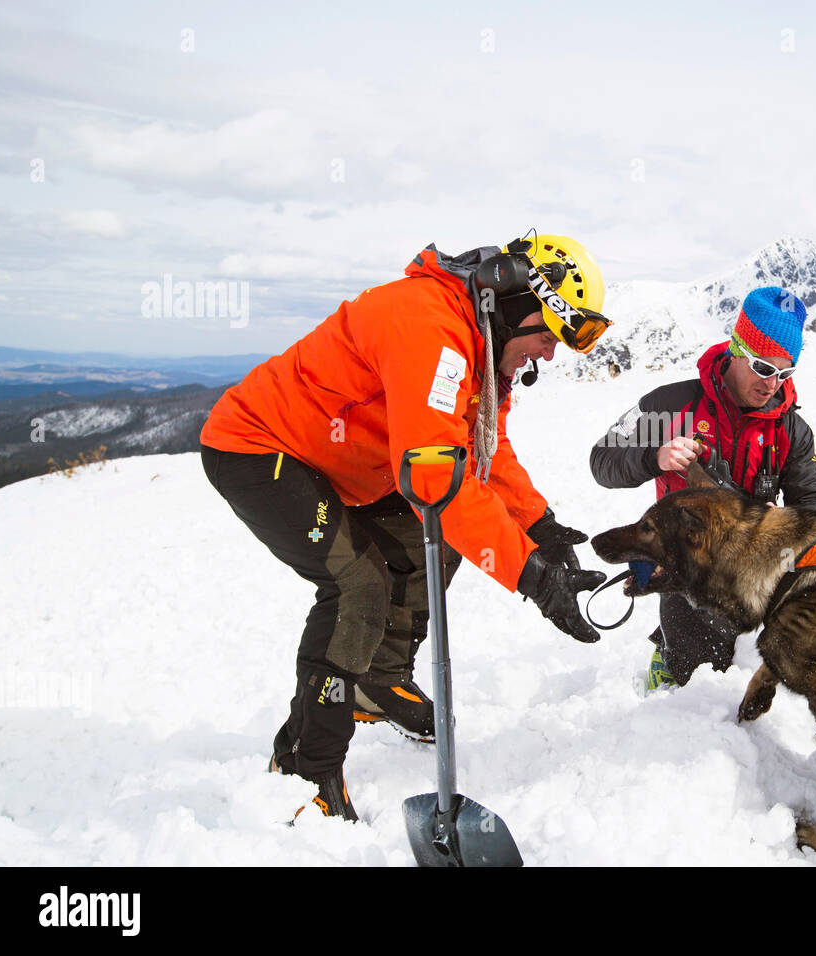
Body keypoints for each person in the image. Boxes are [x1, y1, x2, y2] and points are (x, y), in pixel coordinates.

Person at [200, 233, 612, 819]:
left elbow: (483, 453)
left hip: (341, 467)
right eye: (547, 336)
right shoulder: (430, 328)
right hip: (259, 449)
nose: (547, 355)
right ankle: (302, 762)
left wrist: (539, 528)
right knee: (357, 585)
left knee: (443, 541)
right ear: (519, 303)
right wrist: (534, 580)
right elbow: (434, 480)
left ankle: (377, 678)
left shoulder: (477, 345)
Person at [590, 287, 816, 688]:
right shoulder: (673, 407)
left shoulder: (790, 429)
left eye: (784, 372)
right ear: (736, 350)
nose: (772, 383)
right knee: (697, 683)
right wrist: (654, 456)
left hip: (753, 573)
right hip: (685, 566)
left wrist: (783, 522)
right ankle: (670, 655)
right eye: (762, 367)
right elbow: (602, 461)